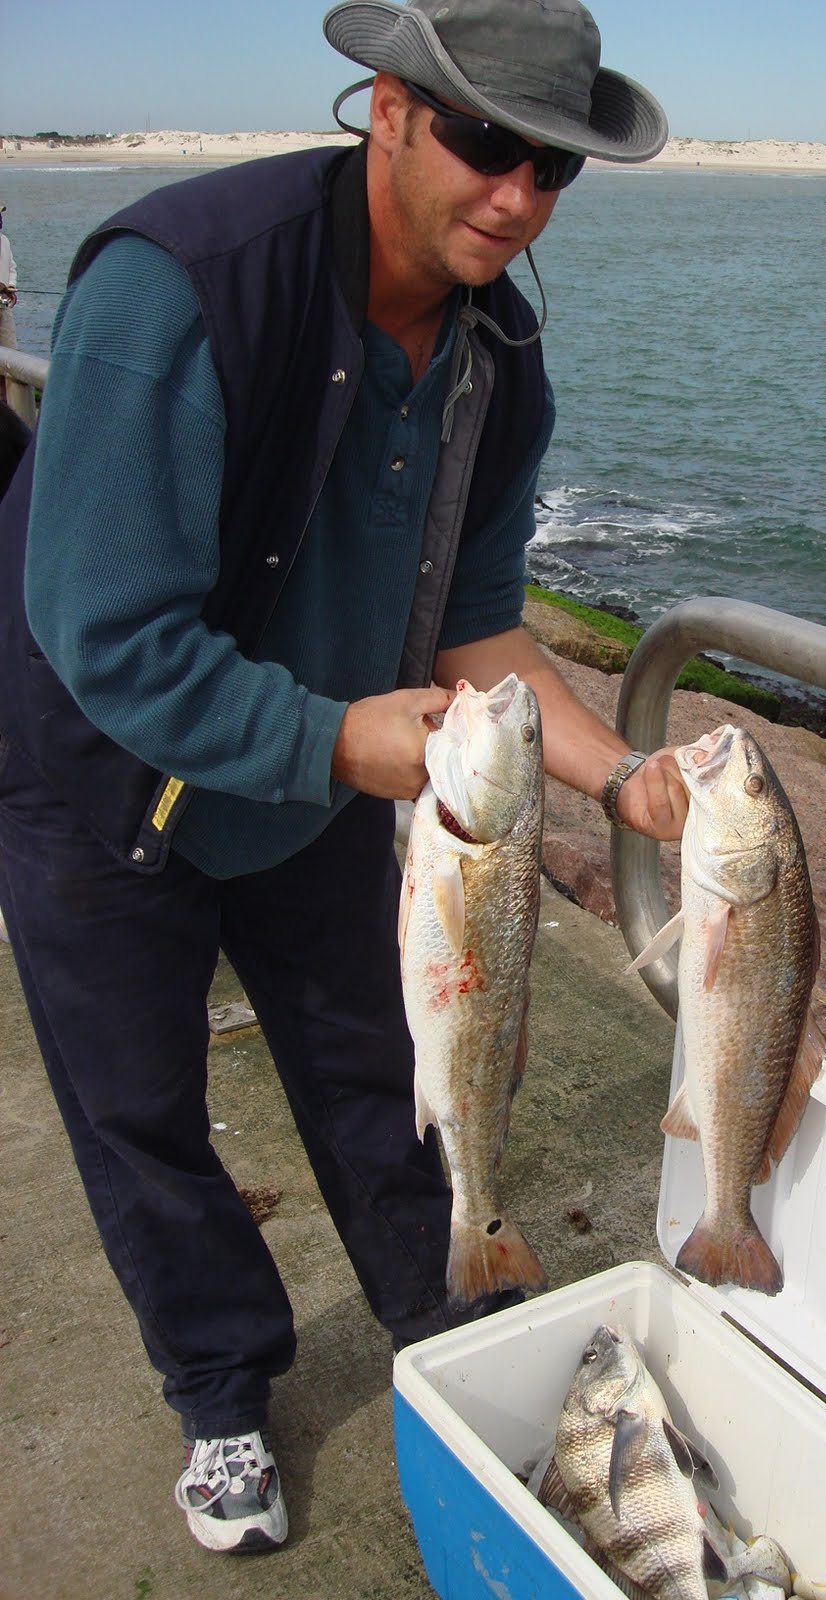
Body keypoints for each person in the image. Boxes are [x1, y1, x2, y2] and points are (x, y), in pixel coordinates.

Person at [0, 0, 685, 1557]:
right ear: (385, 109)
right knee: (140, 1114)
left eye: (553, 167)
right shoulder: (179, 288)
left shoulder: (500, 360)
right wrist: (337, 737)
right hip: (104, 784)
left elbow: (479, 626)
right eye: (485, 145)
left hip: (319, 775)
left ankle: (455, 1318)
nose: (517, 196)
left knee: (387, 1077)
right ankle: (221, 1389)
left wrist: (624, 776)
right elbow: (101, 629)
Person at [0, 206, 17, 349]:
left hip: (3, 302)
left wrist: (11, 286)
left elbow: (12, 267)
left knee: (10, 347)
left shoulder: (4, 240)